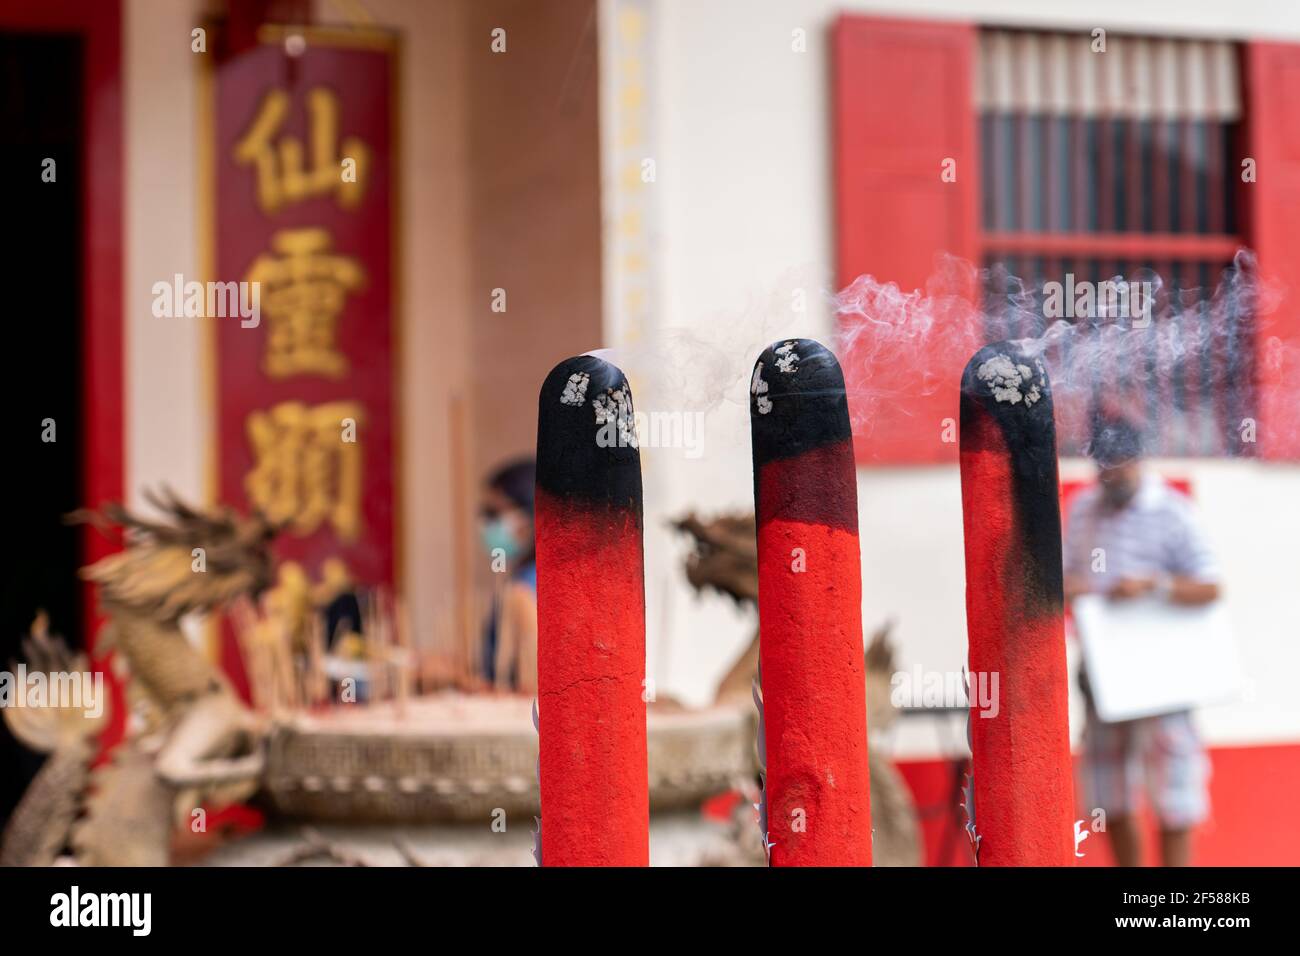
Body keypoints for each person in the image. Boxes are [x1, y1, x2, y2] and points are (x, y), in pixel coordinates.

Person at [1063, 415, 1221, 867]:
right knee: (1108, 796)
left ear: (1137, 459)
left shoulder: (1172, 510)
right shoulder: (1083, 509)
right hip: (1104, 676)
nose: (1110, 477)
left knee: (1174, 797)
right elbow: (1067, 579)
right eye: (1102, 468)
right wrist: (1084, 590)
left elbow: (1210, 587)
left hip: (1164, 679)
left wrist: (1153, 586)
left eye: (1119, 466)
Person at [479, 458, 538, 695]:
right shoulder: (527, 577)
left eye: (494, 513)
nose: (485, 524)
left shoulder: (522, 591)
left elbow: (532, 681)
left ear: (528, 515)